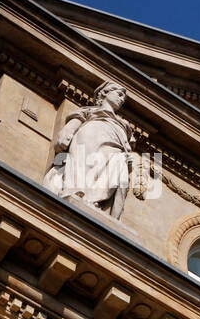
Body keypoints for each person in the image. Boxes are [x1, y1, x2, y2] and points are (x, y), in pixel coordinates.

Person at [43, 81, 135, 217]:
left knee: (112, 173)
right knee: (82, 163)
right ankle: (74, 191)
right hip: (90, 136)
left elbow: (128, 144)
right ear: (105, 93)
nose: (121, 99)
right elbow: (74, 122)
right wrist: (67, 132)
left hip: (115, 147)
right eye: (119, 94)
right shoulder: (90, 111)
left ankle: (93, 200)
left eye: (123, 97)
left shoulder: (124, 124)